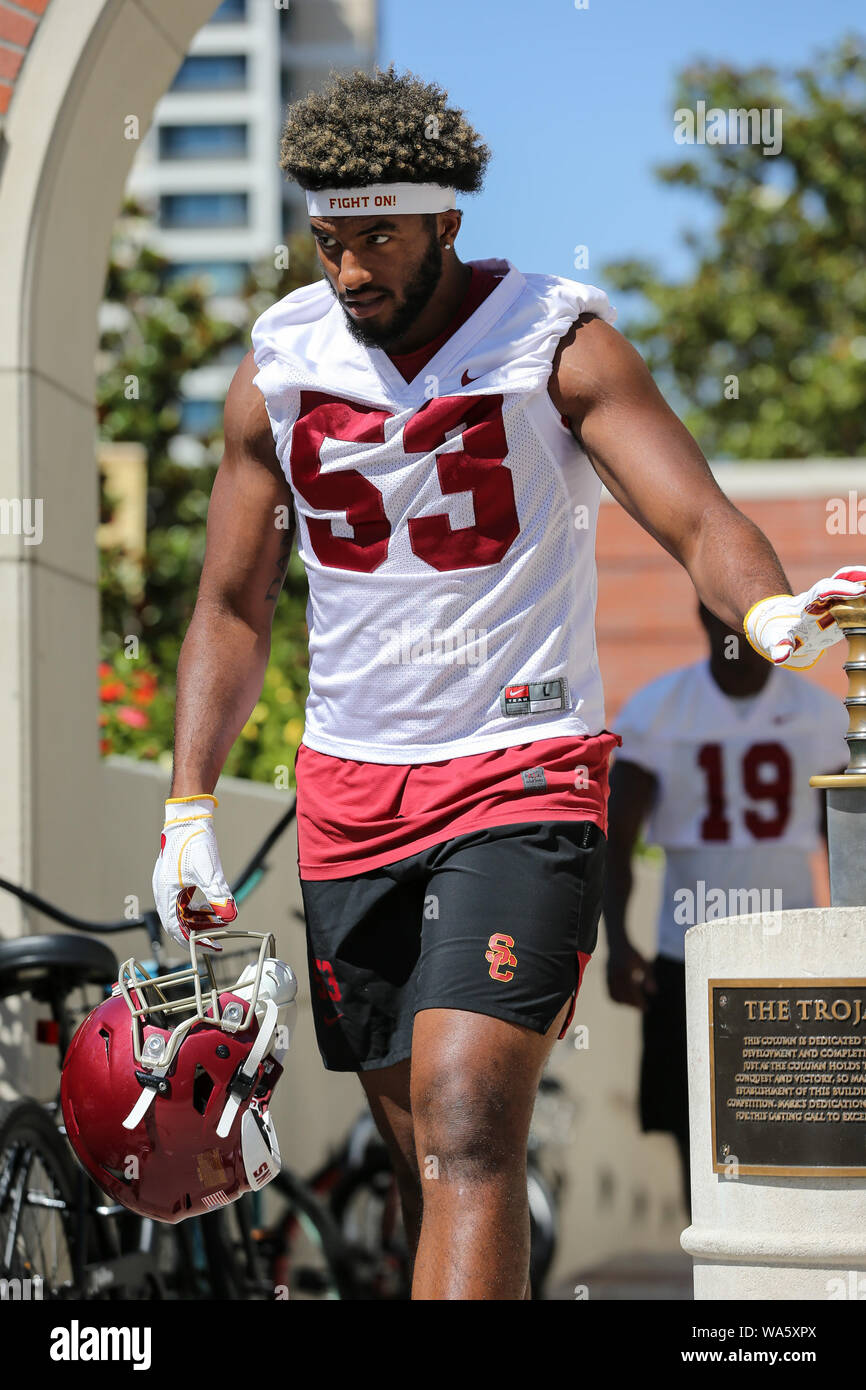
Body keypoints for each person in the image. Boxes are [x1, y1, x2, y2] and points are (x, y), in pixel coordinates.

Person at [150, 65, 865, 1299]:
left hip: (518, 773)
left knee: (469, 1120)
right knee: (423, 1151)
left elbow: (694, 515)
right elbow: (230, 600)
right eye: (330, 241)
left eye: (379, 235)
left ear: (447, 221)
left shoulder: (552, 337)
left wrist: (763, 611)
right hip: (346, 793)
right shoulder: (279, 365)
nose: (353, 270)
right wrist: (186, 807)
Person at [603, 602, 848, 1211]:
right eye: (727, 616)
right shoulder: (657, 711)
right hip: (686, 951)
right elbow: (615, 840)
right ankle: (711, 1272)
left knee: (800, 1127)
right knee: (696, 1132)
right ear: (701, 617)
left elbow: (844, 846)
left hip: (791, 955)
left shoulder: (820, 714)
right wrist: (617, 942)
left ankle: (782, 1274)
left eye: (752, 622)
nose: (739, 634)